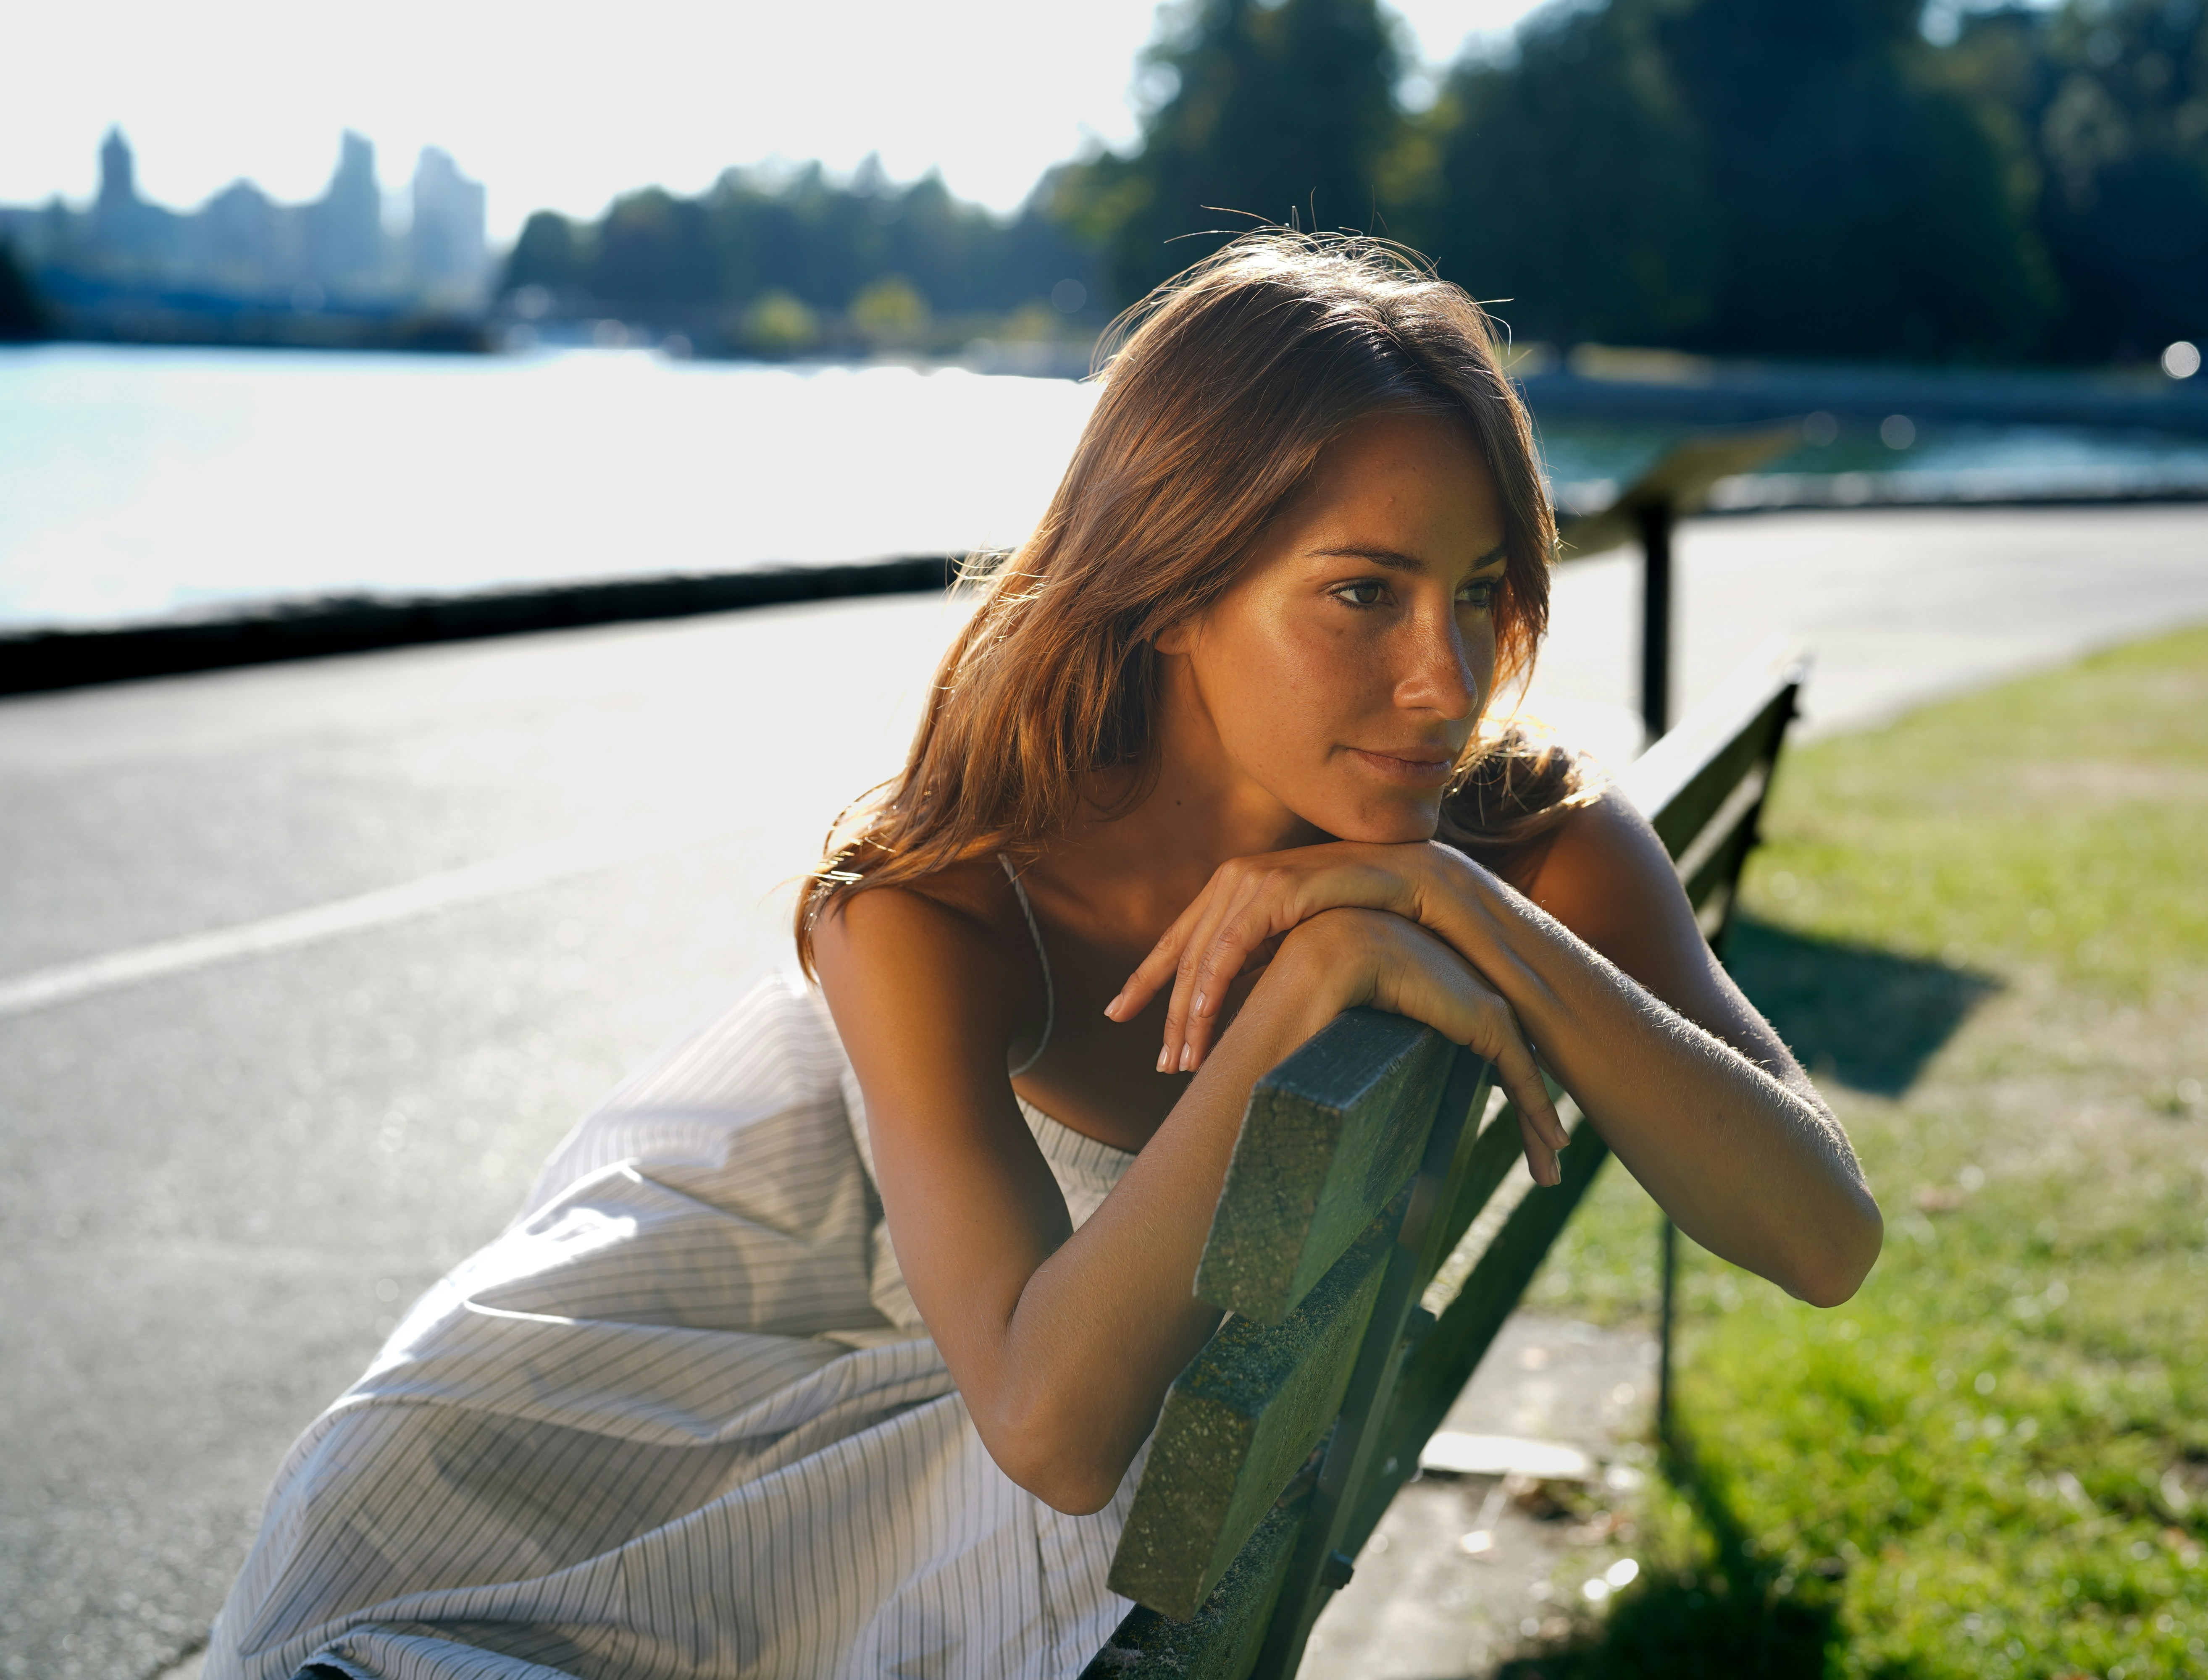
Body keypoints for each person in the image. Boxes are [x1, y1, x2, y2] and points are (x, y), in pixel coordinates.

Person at [205, 233, 1879, 1680]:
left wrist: (1455, 900)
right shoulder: (934, 907)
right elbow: (1054, 1431)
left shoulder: (1521, 851)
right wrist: (1296, 1001)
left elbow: (1826, 1235)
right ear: (1174, 587)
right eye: (1364, 596)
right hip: (583, 1458)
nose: (1446, 680)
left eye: (1480, 590)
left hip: (932, 1498)